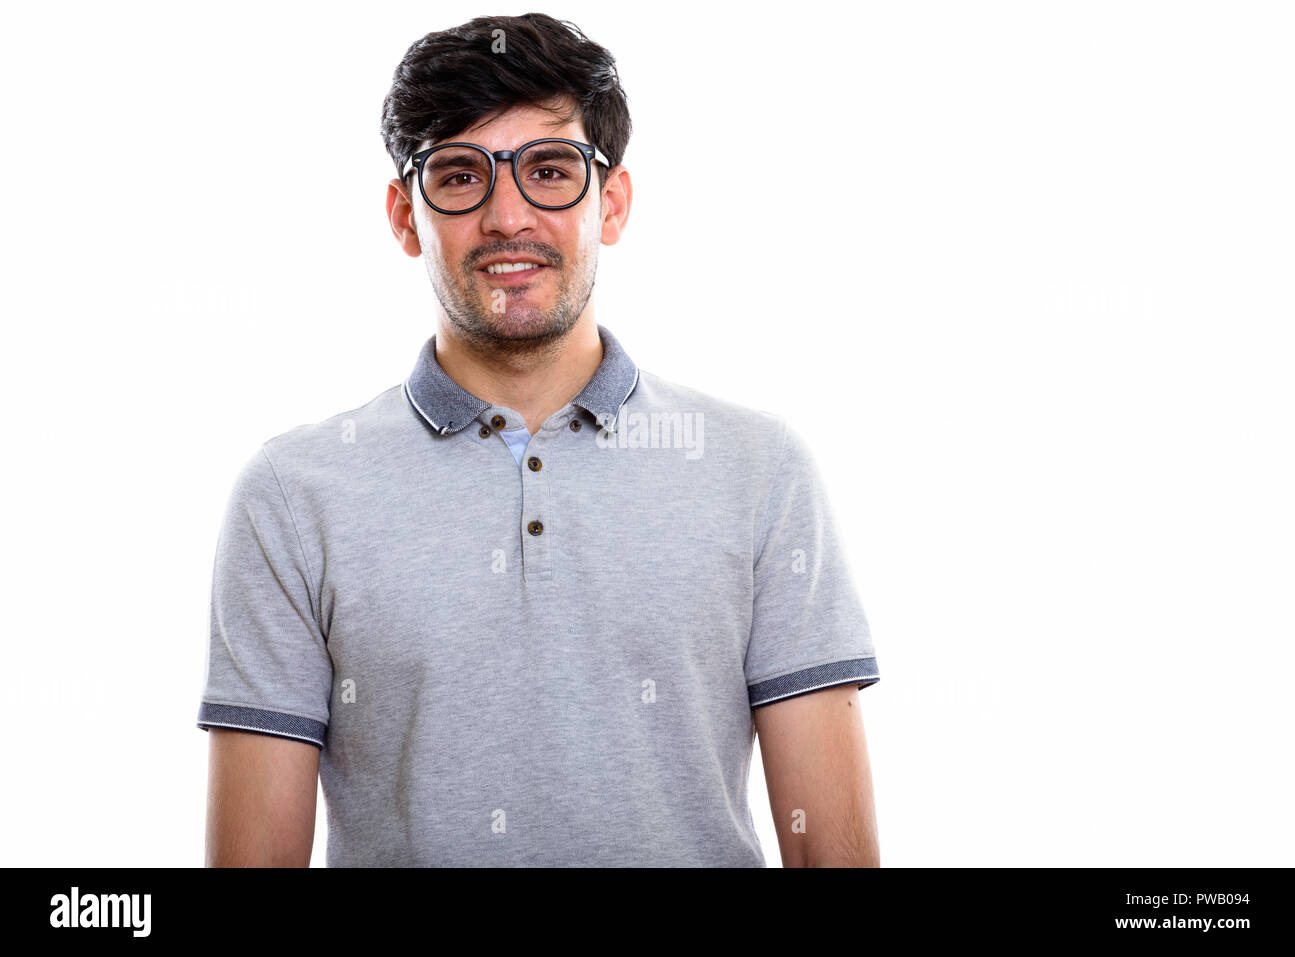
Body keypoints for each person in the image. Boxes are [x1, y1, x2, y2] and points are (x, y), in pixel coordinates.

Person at [197, 12, 881, 867]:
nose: (507, 216)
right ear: (406, 216)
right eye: (460, 175)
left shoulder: (761, 472)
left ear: (614, 203)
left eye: (550, 170)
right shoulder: (292, 494)